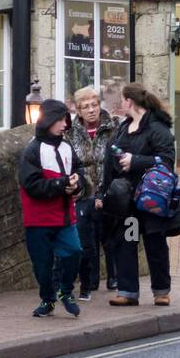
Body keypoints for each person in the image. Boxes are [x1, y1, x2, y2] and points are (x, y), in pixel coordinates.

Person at [104, 83, 180, 307]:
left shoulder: (158, 128)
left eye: (122, 99)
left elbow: (166, 161)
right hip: (127, 201)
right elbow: (111, 161)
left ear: (130, 101)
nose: (120, 103)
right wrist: (103, 191)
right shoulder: (123, 127)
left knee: (155, 243)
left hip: (151, 198)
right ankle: (127, 292)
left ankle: (161, 291)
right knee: (126, 242)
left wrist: (134, 161)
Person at [18, 99, 85, 318]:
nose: (65, 124)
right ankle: (48, 299)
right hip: (39, 219)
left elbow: (78, 171)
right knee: (42, 266)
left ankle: (66, 292)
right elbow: (31, 185)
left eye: (65, 119)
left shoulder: (67, 147)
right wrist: (61, 184)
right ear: (47, 121)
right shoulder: (33, 149)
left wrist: (78, 182)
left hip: (65, 216)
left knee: (74, 252)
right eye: (60, 120)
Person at [67, 85, 118, 299]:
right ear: (78, 111)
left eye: (94, 105)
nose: (91, 110)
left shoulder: (113, 127)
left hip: (108, 190)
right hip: (83, 192)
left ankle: (114, 276)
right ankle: (92, 280)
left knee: (110, 236)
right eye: (85, 107)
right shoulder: (70, 131)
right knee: (87, 239)